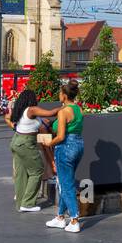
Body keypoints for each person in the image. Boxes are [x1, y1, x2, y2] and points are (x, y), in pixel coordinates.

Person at [39, 80, 84, 233]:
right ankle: (60, 218)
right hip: (78, 145)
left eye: (60, 93)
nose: (59, 95)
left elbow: (61, 136)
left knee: (66, 185)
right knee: (66, 181)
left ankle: (74, 219)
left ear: (64, 96)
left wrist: (49, 143)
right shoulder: (78, 109)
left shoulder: (63, 112)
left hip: (65, 147)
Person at [6, 88, 59, 213]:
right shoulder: (31, 109)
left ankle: (21, 203)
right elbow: (51, 112)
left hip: (16, 141)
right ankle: (28, 203)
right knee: (37, 170)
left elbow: (8, 118)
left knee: (21, 174)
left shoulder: (21, 111)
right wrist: (66, 107)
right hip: (26, 143)